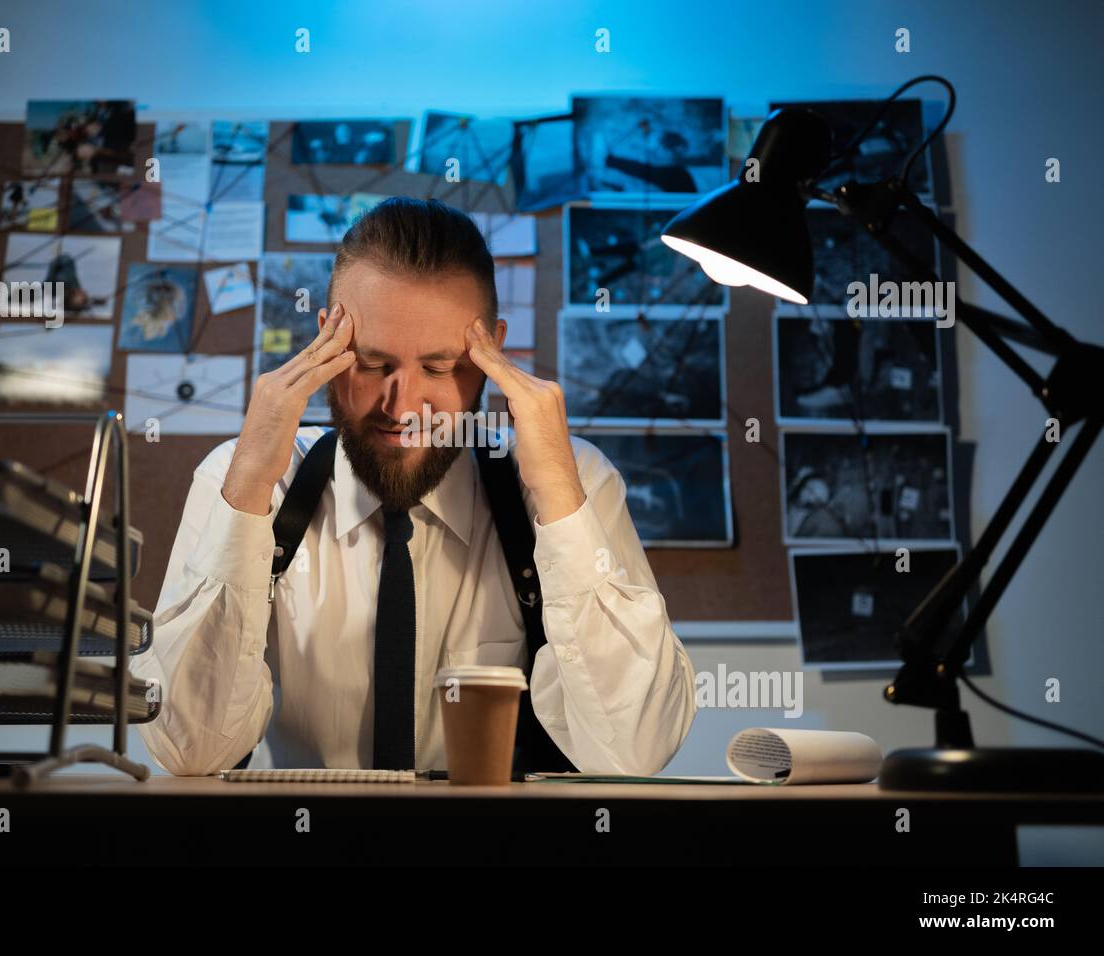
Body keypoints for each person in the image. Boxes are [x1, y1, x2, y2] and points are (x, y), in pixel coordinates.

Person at [133, 197, 697, 776]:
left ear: (492, 355)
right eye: (373, 363)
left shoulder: (573, 481)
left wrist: (559, 501)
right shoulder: (247, 479)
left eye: (439, 368)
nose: (402, 407)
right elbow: (188, 751)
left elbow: (635, 748)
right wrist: (248, 488)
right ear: (326, 340)